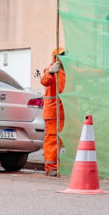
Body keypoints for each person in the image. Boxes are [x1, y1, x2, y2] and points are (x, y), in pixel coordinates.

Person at [40, 47, 67, 176]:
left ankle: (57, 166)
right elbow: (45, 81)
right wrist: (50, 71)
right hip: (53, 112)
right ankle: (51, 167)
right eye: (61, 55)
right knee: (52, 140)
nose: (63, 57)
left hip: (64, 112)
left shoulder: (67, 71)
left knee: (60, 140)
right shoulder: (52, 69)